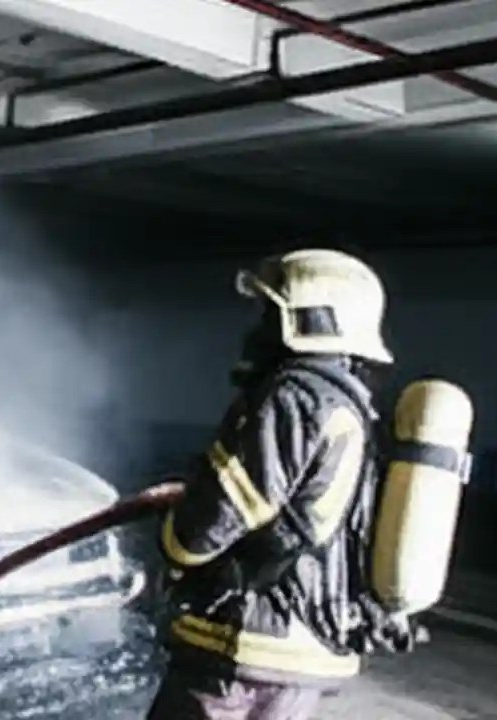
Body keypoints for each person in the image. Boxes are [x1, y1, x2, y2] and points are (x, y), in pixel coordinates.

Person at [147, 249, 411, 720]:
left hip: (241, 650)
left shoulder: (295, 398)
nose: (259, 327)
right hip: (300, 654)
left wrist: (169, 537)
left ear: (310, 321)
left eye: (271, 312)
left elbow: (202, 532)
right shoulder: (348, 404)